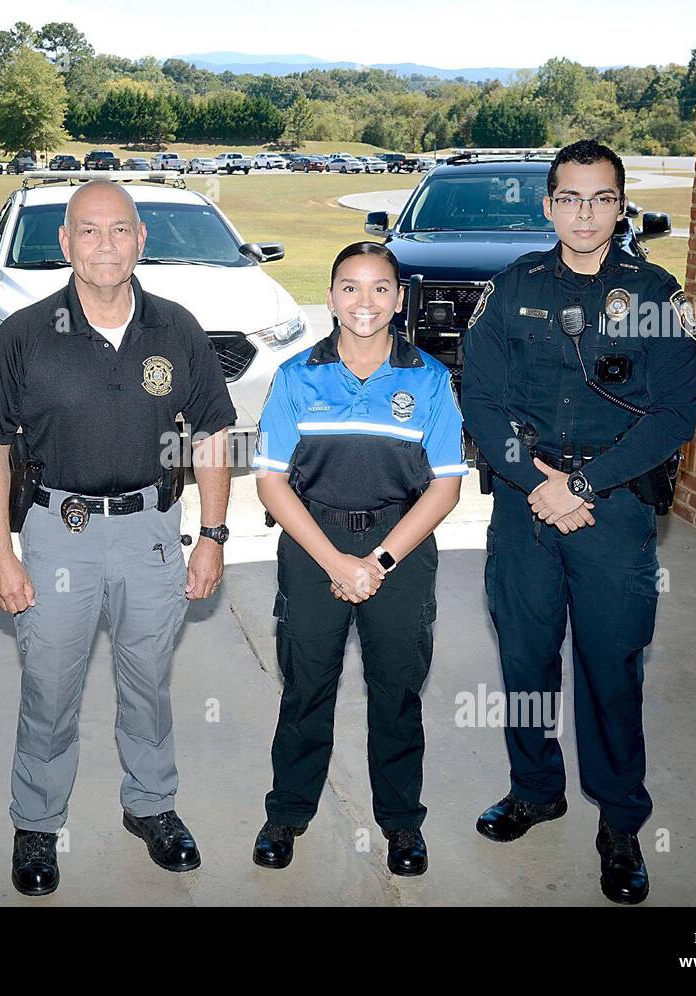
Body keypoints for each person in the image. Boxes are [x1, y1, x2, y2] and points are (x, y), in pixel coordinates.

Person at [0, 179, 237, 897]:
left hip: (152, 530)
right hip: (58, 531)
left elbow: (211, 434)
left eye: (119, 230)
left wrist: (210, 535)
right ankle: (37, 822)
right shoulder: (24, 335)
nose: (104, 245)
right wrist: (1, 553)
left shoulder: (177, 329)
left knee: (147, 683)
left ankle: (151, 805)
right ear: (65, 243)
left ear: (141, 240)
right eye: (88, 230)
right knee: (49, 687)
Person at [460, 139, 696, 905]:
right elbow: (481, 398)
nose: (586, 213)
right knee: (526, 662)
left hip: (614, 506)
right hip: (525, 507)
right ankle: (535, 789)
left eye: (601, 198)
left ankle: (621, 822)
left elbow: (674, 413)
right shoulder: (513, 286)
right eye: (570, 197)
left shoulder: (658, 294)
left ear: (621, 206)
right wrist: (539, 482)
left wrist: (585, 484)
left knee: (610, 669)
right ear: (548, 206)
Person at [251, 241, 465, 876]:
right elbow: (271, 482)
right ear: (330, 297)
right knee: (306, 686)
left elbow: (445, 487)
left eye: (379, 288)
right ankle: (287, 813)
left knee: (396, 691)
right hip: (314, 548)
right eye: (350, 287)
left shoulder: (429, 379)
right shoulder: (296, 376)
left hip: (398, 548)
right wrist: (337, 564)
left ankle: (401, 824)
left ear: (399, 300)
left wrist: (379, 561)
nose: (364, 302)